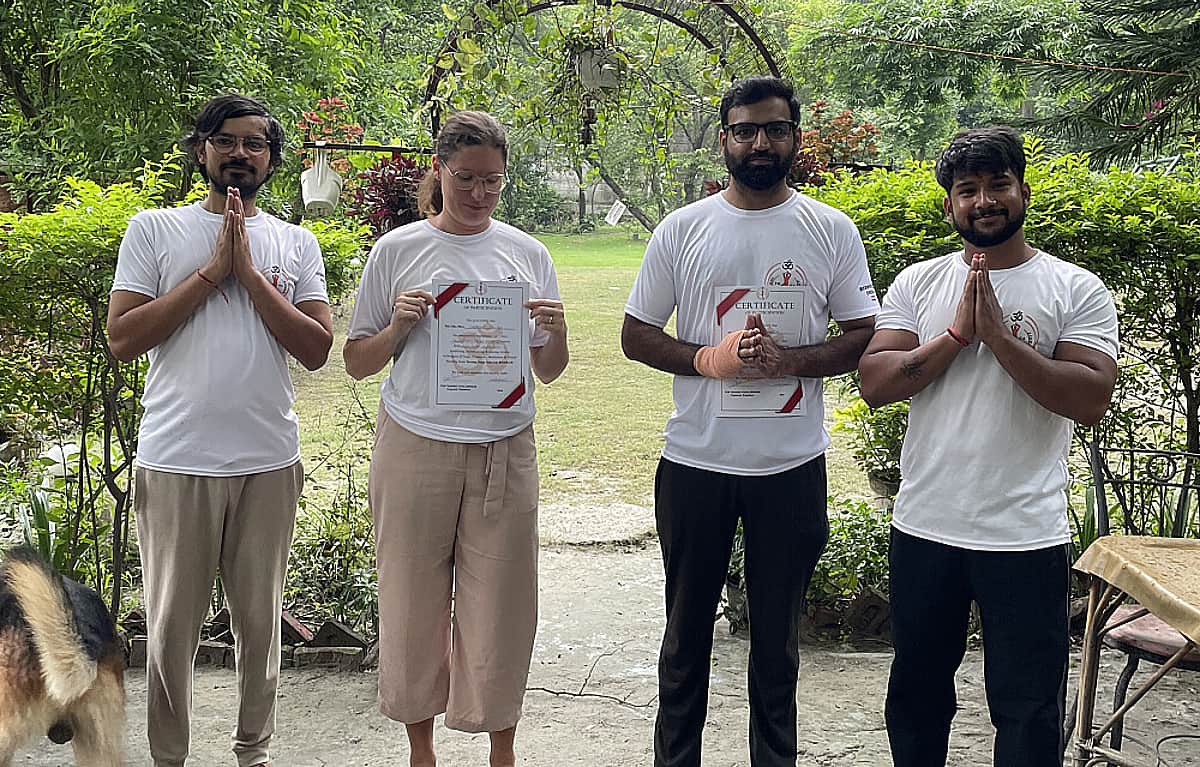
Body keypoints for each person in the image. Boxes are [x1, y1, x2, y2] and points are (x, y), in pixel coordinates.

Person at [621, 76, 880, 767]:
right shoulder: (684, 228)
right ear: (725, 140)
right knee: (684, 643)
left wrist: (788, 360)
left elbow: (863, 334)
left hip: (789, 469)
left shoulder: (830, 228)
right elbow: (635, 334)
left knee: (777, 647)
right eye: (745, 130)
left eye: (774, 129)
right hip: (696, 465)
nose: (760, 142)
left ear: (796, 138)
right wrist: (709, 357)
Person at [858, 126, 1119, 767]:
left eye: (997, 184)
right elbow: (876, 382)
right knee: (918, 694)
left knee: (1027, 706)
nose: (984, 200)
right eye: (967, 189)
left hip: (1024, 533)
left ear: (1022, 191)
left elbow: (1090, 399)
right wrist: (955, 336)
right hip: (926, 525)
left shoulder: (1072, 288)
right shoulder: (919, 283)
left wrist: (1002, 340)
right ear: (949, 205)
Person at [107, 94, 333, 767]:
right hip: (177, 460)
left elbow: (318, 347)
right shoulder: (154, 230)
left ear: (271, 158)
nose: (241, 153)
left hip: (267, 459)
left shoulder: (296, 241)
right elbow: (122, 337)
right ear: (201, 148)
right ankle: (169, 757)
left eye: (255, 143)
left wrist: (249, 274)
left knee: (259, 624)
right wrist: (212, 272)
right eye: (227, 140)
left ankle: (252, 752)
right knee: (171, 629)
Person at [343, 110, 568, 767]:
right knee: (410, 598)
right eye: (466, 178)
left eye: (493, 181)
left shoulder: (527, 252)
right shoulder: (399, 250)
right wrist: (399, 328)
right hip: (416, 442)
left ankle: (503, 747)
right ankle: (421, 749)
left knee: (503, 603)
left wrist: (556, 330)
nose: (478, 194)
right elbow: (358, 360)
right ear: (438, 170)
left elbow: (548, 370)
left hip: (505, 445)